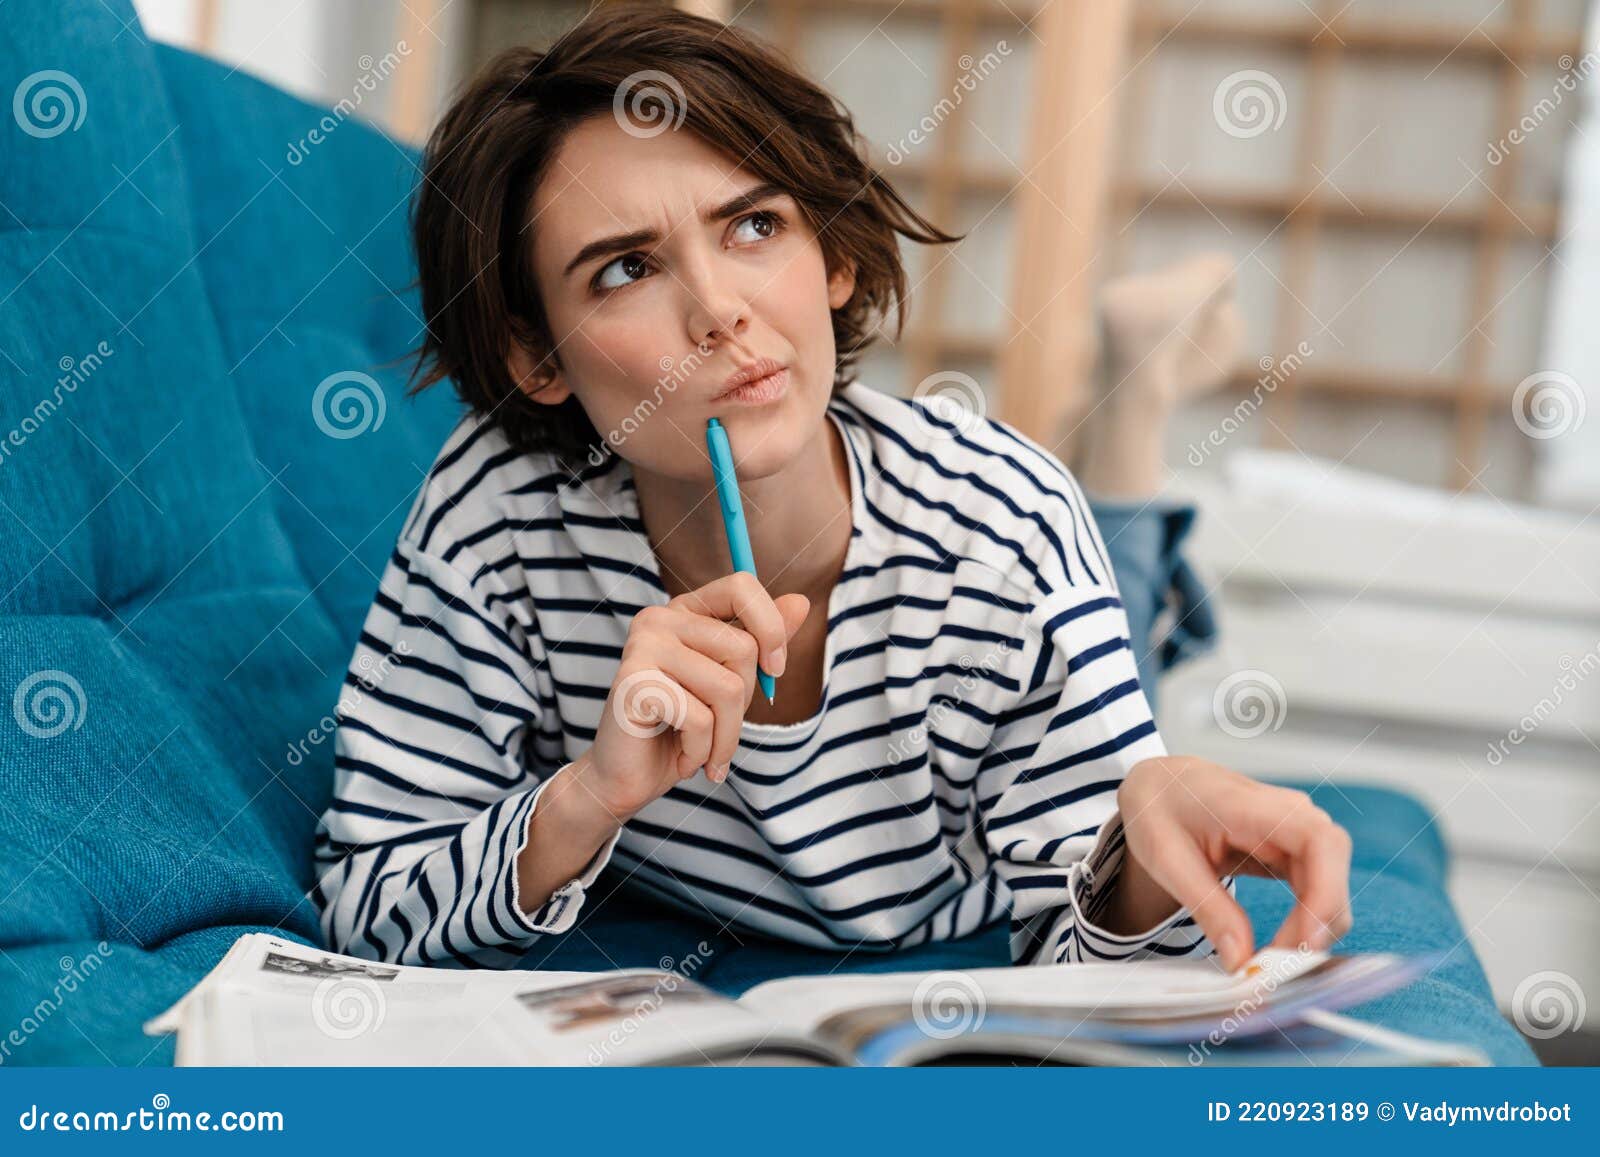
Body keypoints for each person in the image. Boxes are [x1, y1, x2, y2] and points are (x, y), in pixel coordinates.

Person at [312, 4, 1352, 974]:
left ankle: (1133, 401)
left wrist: (1132, 865)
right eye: (627, 269)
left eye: (754, 226)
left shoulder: (1003, 530)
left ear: (833, 257)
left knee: (1117, 638)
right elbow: (368, 897)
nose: (719, 310)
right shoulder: (496, 511)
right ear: (538, 357)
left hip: (996, 596)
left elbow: (1105, 962)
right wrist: (587, 795)